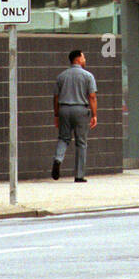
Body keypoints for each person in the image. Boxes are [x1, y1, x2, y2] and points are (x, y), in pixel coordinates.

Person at [53, 49, 97, 182]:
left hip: (64, 110)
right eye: (83, 58)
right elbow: (92, 96)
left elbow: (56, 97)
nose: (85, 60)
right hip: (80, 110)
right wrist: (94, 115)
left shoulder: (61, 76)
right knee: (81, 143)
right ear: (77, 59)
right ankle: (79, 175)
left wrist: (56, 115)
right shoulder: (88, 76)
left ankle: (58, 158)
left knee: (63, 138)